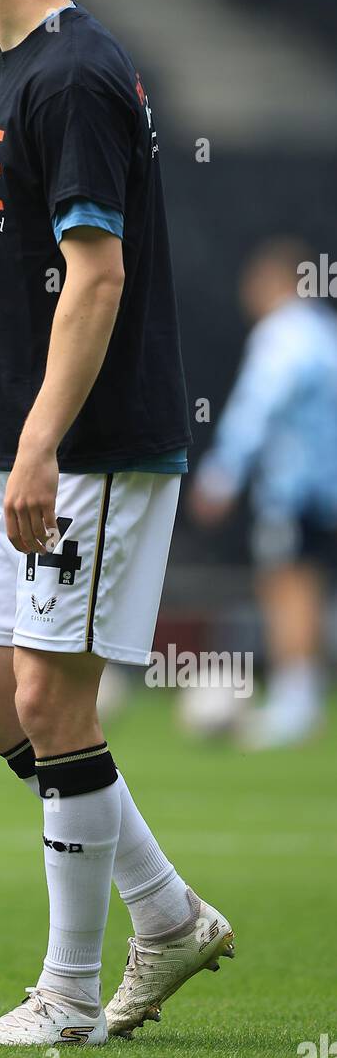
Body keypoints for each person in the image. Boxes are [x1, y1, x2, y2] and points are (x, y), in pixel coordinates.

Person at [0, 0, 234, 1046]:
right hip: (31, 440)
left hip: (88, 446)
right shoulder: (26, 71)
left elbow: (94, 276)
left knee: (54, 701)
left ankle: (65, 996)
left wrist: (44, 442)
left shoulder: (70, 80)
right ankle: (165, 913)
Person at [190, 237, 337, 749]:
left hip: (295, 488)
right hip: (328, 487)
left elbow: (258, 406)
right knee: (311, 585)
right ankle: (306, 697)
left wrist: (221, 475)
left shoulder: (281, 335)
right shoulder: (325, 332)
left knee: (287, 582)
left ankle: (295, 704)